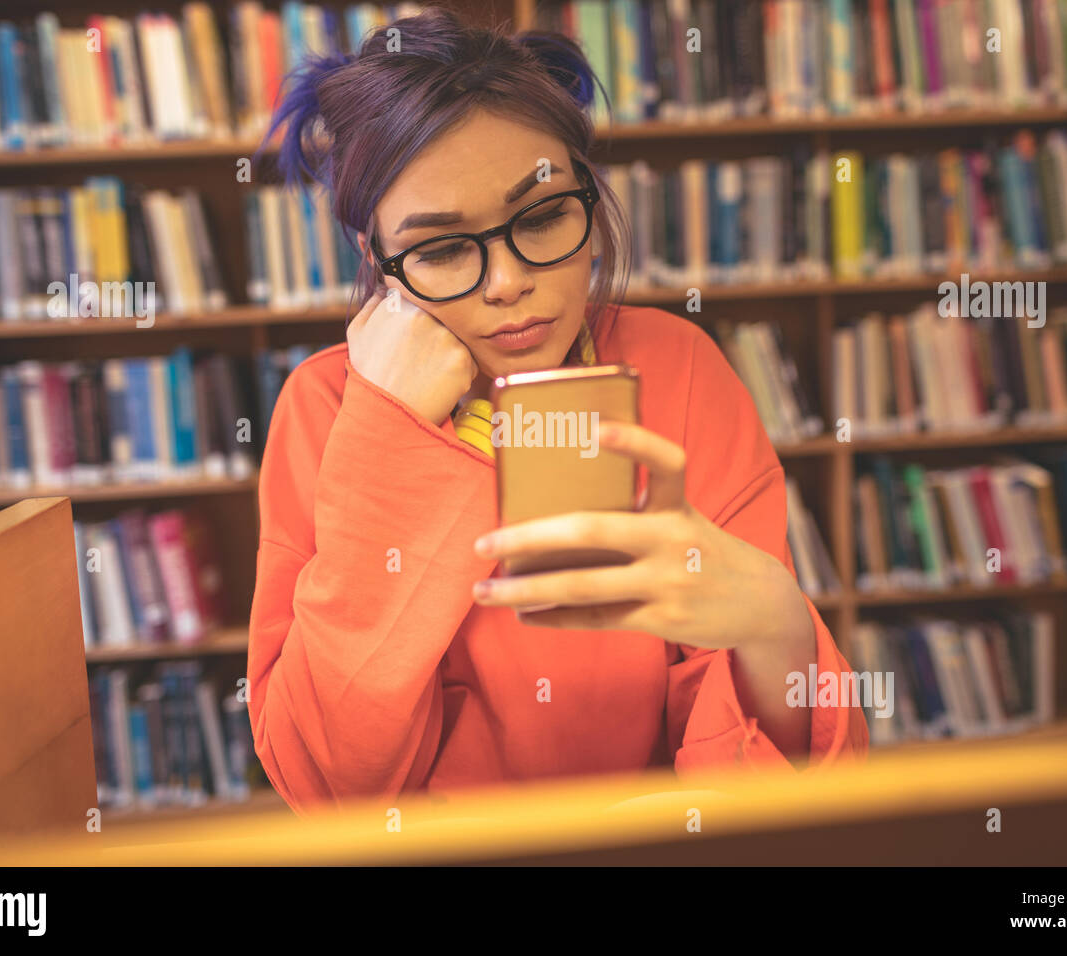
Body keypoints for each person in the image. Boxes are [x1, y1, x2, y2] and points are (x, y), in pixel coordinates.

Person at [248, 7, 868, 814]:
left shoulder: (676, 367)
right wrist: (389, 437)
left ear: (588, 195)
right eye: (440, 249)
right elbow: (330, 783)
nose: (507, 282)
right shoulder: (326, 410)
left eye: (540, 217)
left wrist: (777, 625)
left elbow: (773, 769)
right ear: (378, 260)